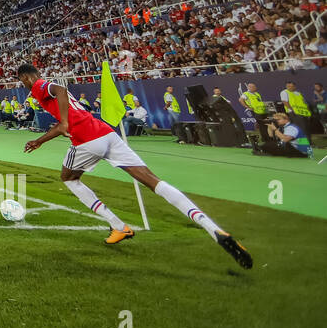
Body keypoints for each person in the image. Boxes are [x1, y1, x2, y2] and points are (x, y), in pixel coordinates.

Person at [16, 63, 251, 268]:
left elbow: (60, 90)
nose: (25, 85)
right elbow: (62, 116)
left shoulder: (39, 86)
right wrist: (41, 139)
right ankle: (211, 227)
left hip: (87, 139)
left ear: (26, 77)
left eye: (22, 81)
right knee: (153, 181)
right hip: (107, 134)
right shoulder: (51, 95)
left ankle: (118, 225)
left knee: (69, 178)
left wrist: (64, 122)